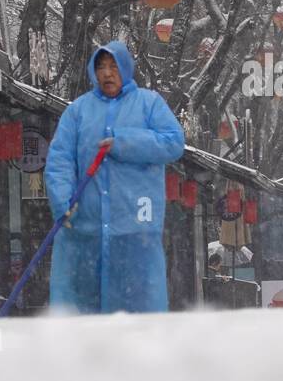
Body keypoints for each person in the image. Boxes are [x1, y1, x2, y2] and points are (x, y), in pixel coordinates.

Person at [45, 41, 185, 313]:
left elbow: (173, 142)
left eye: (113, 67)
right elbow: (59, 159)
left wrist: (124, 142)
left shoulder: (149, 104)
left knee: (138, 315)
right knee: (81, 314)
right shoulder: (77, 112)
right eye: (101, 68)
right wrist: (62, 201)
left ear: (125, 68)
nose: (107, 74)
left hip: (135, 230)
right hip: (84, 232)